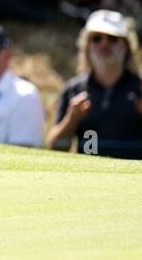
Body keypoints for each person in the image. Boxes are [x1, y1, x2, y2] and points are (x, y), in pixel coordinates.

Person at [48, 10, 142, 159]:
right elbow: (56, 148)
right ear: (87, 46)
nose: (104, 44)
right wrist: (71, 119)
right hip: (88, 180)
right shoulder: (73, 90)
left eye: (112, 38)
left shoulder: (139, 88)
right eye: (96, 38)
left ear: (126, 46)